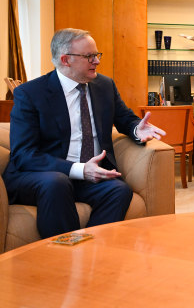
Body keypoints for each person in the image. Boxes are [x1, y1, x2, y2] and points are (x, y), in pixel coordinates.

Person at [3, 28, 166, 239]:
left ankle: (91, 250)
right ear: (65, 60)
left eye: (97, 55)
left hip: (88, 176)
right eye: (89, 56)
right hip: (42, 174)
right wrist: (79, 169)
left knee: (119, 190)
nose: (96, 61)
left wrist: (136, 128)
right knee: (57, 182)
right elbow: (24, 154)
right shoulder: (31, 93)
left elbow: (125, 118)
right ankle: (63, 257)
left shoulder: (104, 86)